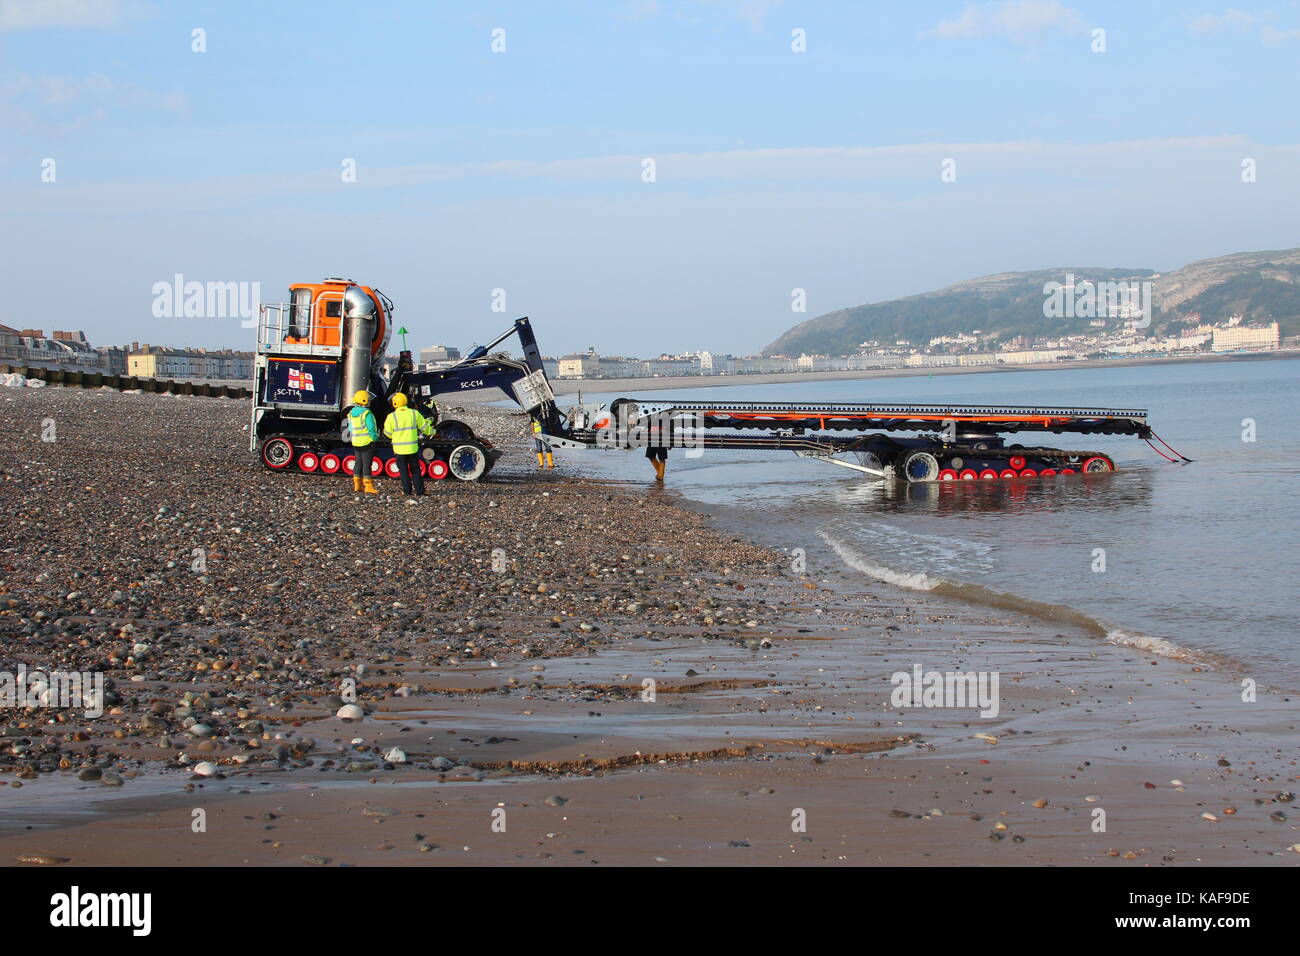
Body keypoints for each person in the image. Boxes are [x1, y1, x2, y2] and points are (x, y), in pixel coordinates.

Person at [383, 392, 434, 496]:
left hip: (399, 449)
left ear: (394, 403)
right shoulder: (414, 413)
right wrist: (432, 432)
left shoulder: (391, 417)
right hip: (412, 448)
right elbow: (425, 428)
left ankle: (407, 491)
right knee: (415, 470)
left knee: (403, 471)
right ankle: (420, 491)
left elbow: (387, 433)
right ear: (406, 401)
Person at [346, 390, 379, 494]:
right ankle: (368, 486)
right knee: (367, 464)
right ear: (364, 400)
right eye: (368, 399)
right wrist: (374, 438)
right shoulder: (366, 414)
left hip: (356, 442)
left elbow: (350, 428)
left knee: (358, 463)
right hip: (367, 442)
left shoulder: (351, 413)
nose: (369, 401)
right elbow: (371, 428)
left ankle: (357, 485)